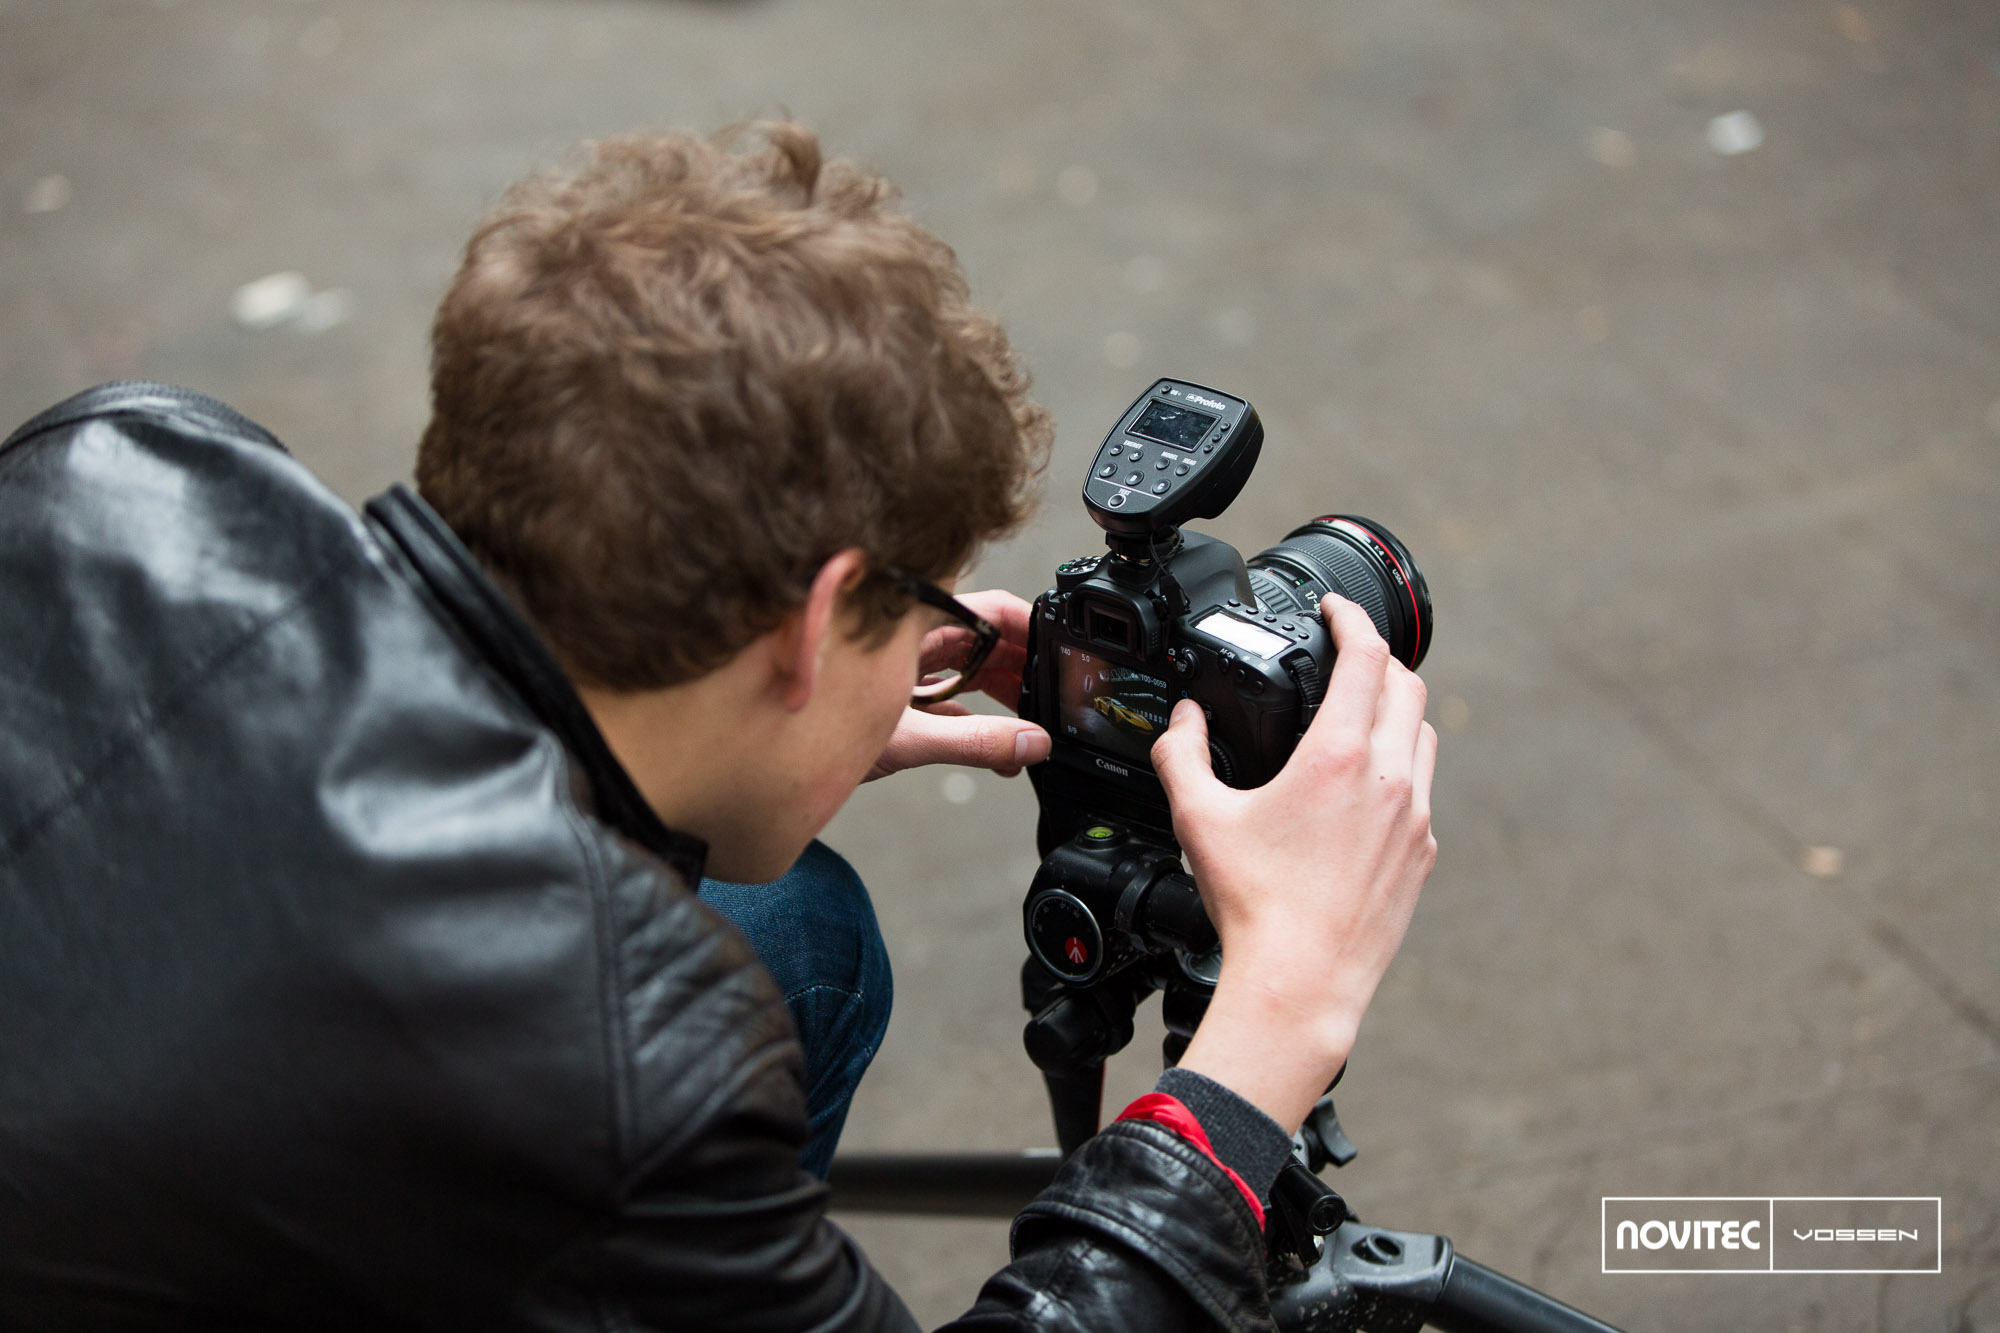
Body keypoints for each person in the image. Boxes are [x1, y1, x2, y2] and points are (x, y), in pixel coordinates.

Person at [0, 123, 1436, 1331]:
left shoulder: (129, 456)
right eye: (914, 611)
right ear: (807, 633)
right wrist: (1267, 1030)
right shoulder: (639, 1074)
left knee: (793, 923)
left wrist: (742, 753)